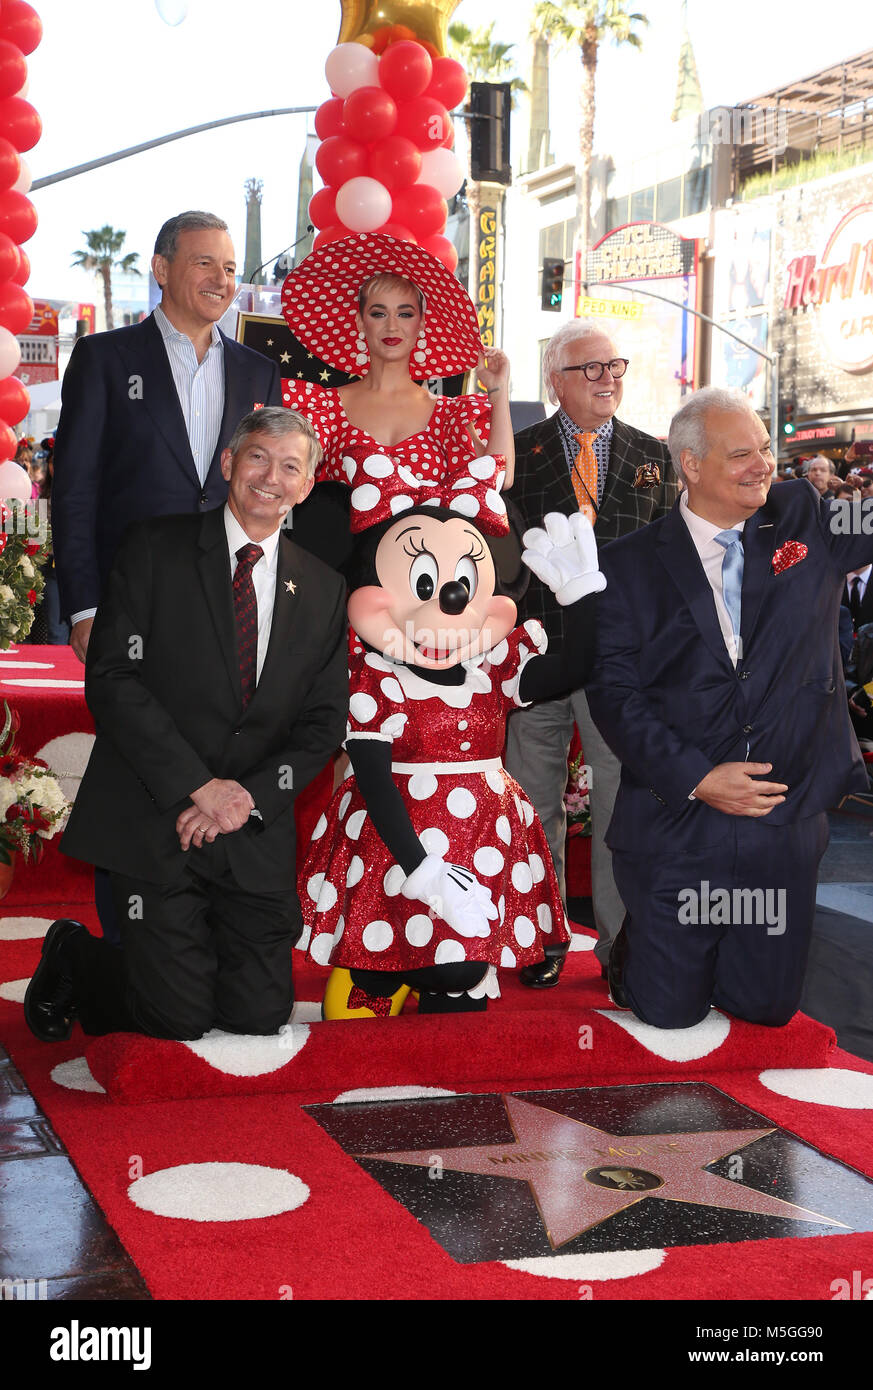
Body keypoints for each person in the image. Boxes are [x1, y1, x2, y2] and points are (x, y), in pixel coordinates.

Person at [24, 409, 347, 1044]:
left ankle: (182, 959)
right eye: (258, 457)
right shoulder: (154, 547)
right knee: (177, 1018)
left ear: (308, 486)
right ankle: (76, 957)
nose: (270, 477)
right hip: (158, 814)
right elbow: (114, 679)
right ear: (228, 463)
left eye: (291, 466)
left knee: (257, 1016)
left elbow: (322, 724)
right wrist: (201, 787)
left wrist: (244, 796)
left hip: (251, 829)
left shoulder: (324, 587)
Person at [587, 386, 873, 1030]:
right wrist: (697, 778)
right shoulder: (627, 564)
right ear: (691, 465)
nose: (762, 465)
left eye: (766, 449)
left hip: (783, 816)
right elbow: (614, 693)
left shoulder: (806, 516)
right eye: (741, 454)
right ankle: (636, 954)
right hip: (679, 824)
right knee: (669, 1015)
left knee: (765, 1011)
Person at [504, 320, 679, 985]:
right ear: (555, 380)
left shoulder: (655, 456)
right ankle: (540, 939)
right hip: (539, 658)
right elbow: (500, 559)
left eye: (615, 366)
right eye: (592, 369)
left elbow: (669, 563)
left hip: (625, 666)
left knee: (620, 807)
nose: (609, 379)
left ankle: (617, 949)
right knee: (529, 801)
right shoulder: (516, 455)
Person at [52, 209, 283, 666]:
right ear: (161, 269)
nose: (221, 279)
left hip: (229, 609)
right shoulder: (104, 359)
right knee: (130, 738)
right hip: (127, 607)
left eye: (231, 268)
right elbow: (74, 493)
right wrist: (84, 609)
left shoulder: (259, 373)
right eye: (205, 263)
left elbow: (269, 492)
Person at [280, 232, 515, 508]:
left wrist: (498, 391)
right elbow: (284, 477)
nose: (392, 326)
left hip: (424, 548)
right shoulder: (323, 408)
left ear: (422, 323)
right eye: (379, 313)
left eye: (405, 314)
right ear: (359, 321)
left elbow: (501, 475)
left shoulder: (447, 415)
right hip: (333, 550)